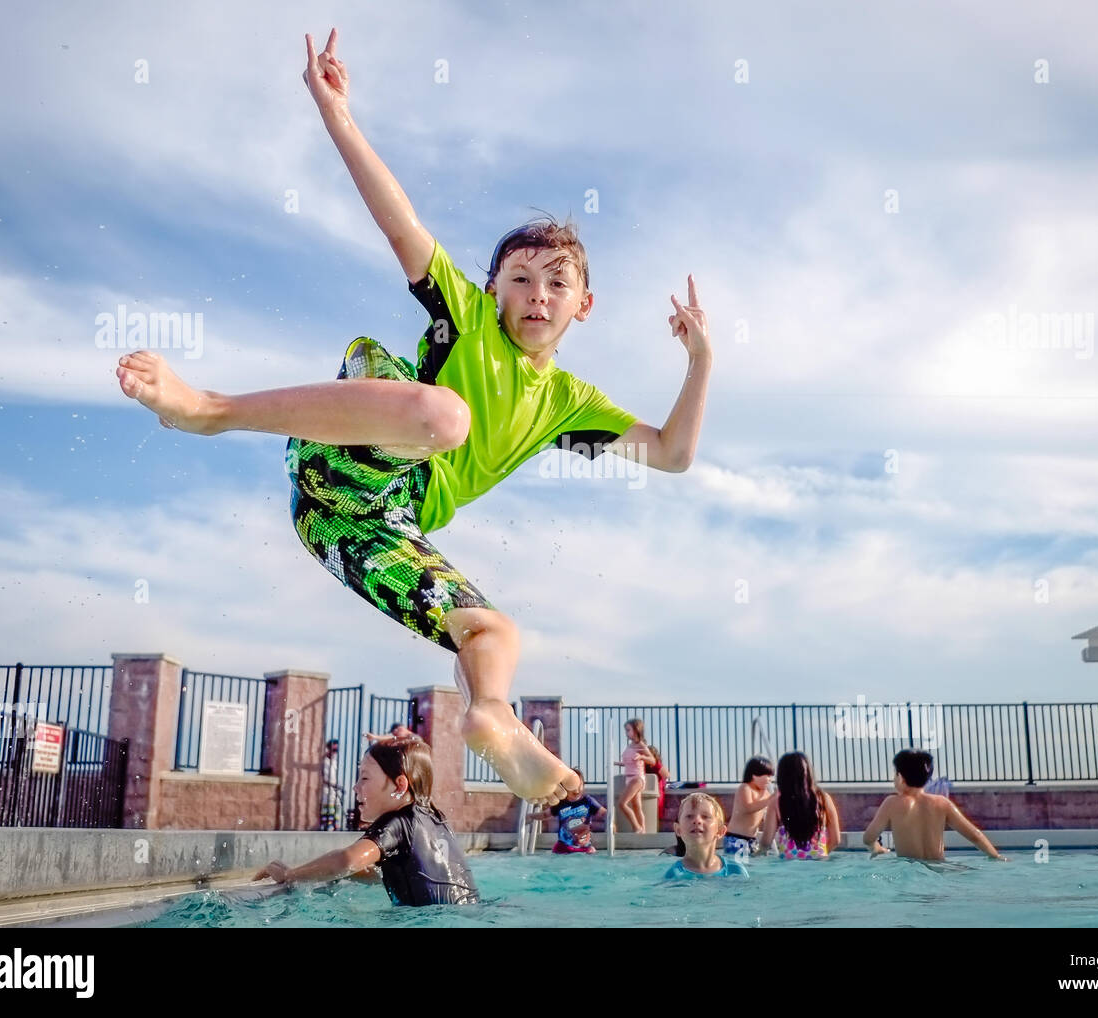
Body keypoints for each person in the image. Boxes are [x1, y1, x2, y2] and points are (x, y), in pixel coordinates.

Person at [114, 27, 712, 809]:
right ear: (492, 288)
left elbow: (670, 454)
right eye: (520, 278)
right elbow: (396, 219)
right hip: (347, 457)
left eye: (556, 283)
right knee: (444, 415)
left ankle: (493, 718)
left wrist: (700, 362)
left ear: (583, 306)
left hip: (364, 530)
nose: (537, 294)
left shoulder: (571, 403)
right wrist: (336, 113)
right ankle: (210, 409)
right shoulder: (465, 317)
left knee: (495, 634)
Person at [256, 732, 480, 906]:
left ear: (399, 786)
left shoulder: (398, 822)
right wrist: (321, 871)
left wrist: (290, 874)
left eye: (364, 777)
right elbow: (393, 873)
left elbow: (348, 860)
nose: (355, 787)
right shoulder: (435, 819)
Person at [862, 749, 1005, 862]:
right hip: (939, 868)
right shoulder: (942, 803)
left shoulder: (891, 803)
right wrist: (995, 856)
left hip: (910, 871)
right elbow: (974, 835)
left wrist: (876, 848)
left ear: (900, 777)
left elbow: (868, 837)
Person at [755, 752, 839, 859]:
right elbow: (836, 839)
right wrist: (819, 854)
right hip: (819, 863)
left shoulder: (777, 800)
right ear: (808, 772)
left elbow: (766, 843)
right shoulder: (824, 798)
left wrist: (754, 855)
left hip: (788, 866)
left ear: (782, 775)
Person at [663, 792, 750, 879]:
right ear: (678, 830)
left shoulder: (736, 871)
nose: (697, 820)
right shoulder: (674, 875)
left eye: (705, 816)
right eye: (689, 816)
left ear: (720, 831)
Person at [529, 769, 606, 854]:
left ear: (583, 785)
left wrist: (611, 822)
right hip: (563, 846)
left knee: (592, 851)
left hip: (584, 846)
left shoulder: (588, 801)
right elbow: (545, 814)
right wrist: (530, 816)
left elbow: (603, 813)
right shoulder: (560, 803)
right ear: (564, 788)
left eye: (579, 785)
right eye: (572, 786)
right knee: (556, 850)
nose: (577, 789)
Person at [725, 756, 774, 857]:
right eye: (767, 776)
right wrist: (770, 800)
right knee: (739, 868)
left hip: (752, 840)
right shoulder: (745, 788)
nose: (769, 780)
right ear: (754, 775)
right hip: (736, 838)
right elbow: (748, 808)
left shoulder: (765, 793)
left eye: (770, 776)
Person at [615, 719, 654, 834]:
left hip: (637, 778)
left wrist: (642, 757)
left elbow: (652, 760)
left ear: (636, 730)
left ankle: (637, 827)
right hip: (629, 778)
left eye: (628, 730)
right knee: (637, 806)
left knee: (622, 804)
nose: (626, 733)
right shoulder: (630, 745)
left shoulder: (641, 745)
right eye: (625, 730)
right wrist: (617, 763)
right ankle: (643, 832)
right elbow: (630, 762)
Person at [320, 738, 343, 831]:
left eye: (336, 751)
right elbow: (323, 778)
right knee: (328, 809)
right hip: (326, 790)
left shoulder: (334, 762)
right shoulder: (324, 761)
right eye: (333, 750)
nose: (335, 753)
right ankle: (327, 827)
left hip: (335, 791)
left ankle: (334, 827)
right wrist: (334, 785)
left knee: (336, 807)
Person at [644, 745, 670, 824]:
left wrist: (655, 764)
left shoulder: (657, 765)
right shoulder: (644, 766)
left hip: (657, 795)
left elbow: (667, 775)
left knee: (655, 818)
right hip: (646, 794)